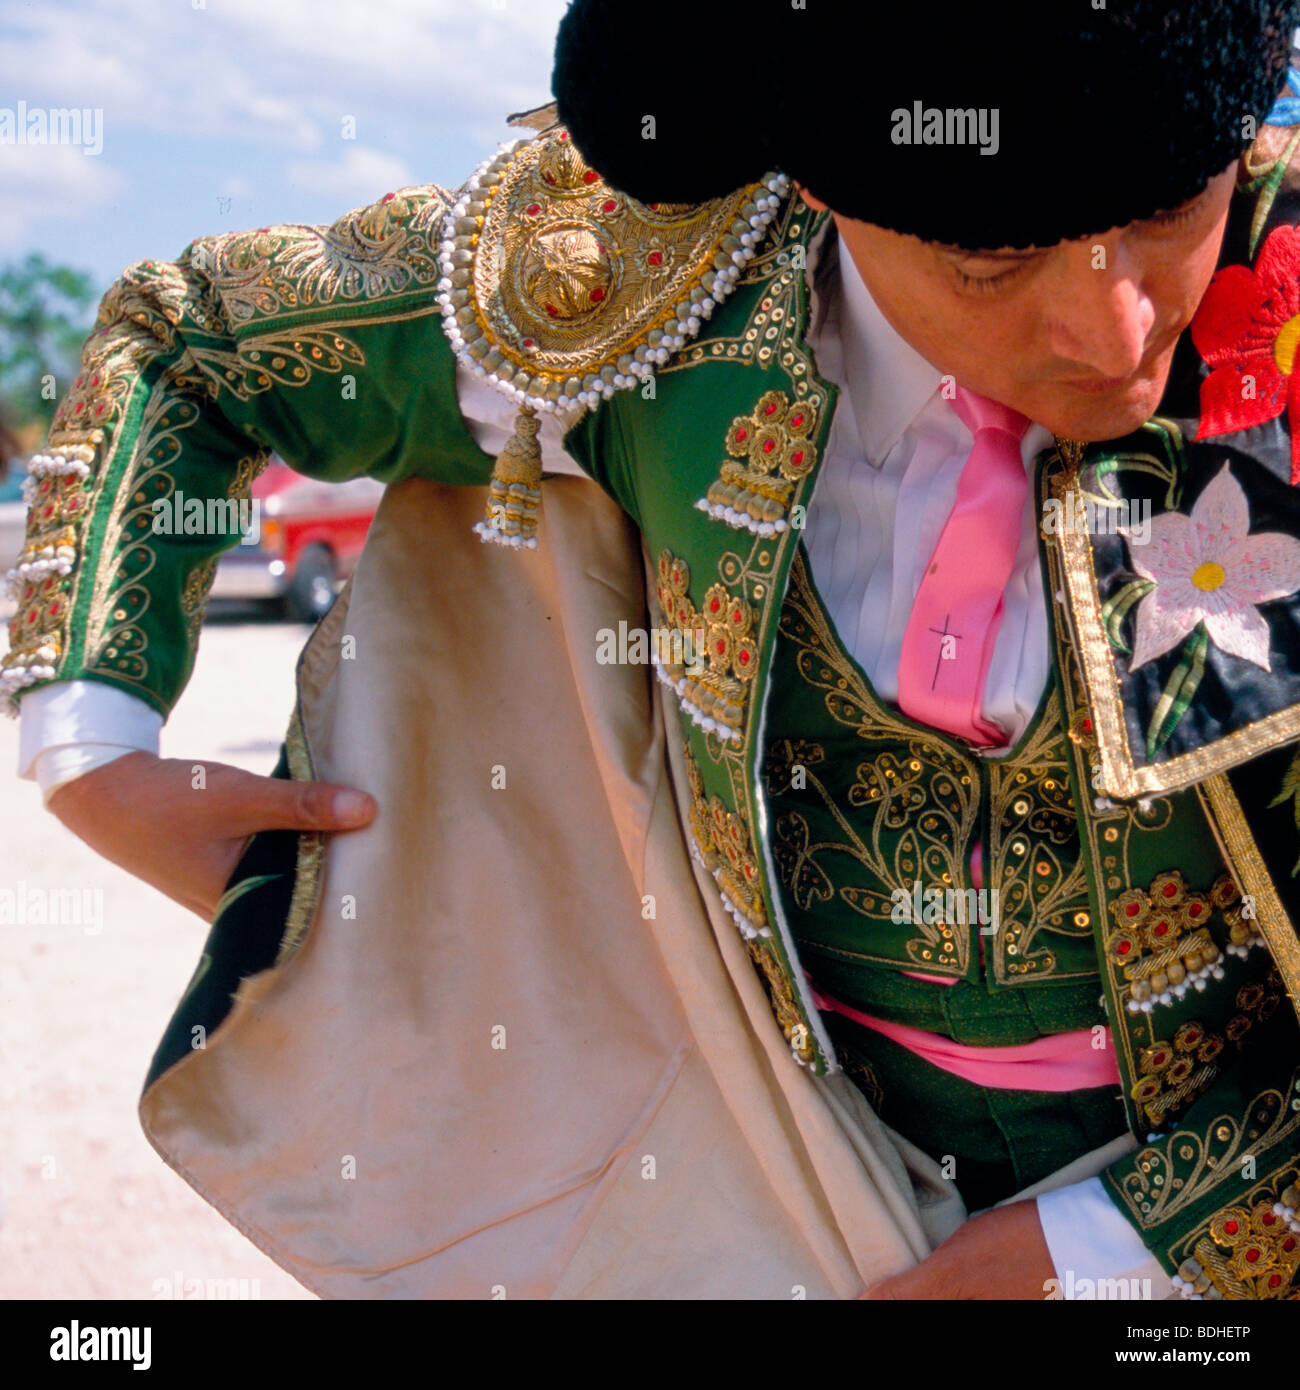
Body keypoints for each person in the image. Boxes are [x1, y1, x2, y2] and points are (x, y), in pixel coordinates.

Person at [6, 0, 1300, 1300]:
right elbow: (187, 343)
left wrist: (1103, 1251)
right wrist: (90, 744)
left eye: (1168, 208)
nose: (1120, 329)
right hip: (776, 1183)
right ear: (819, 190)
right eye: (988, 263)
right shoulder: (662, 273)